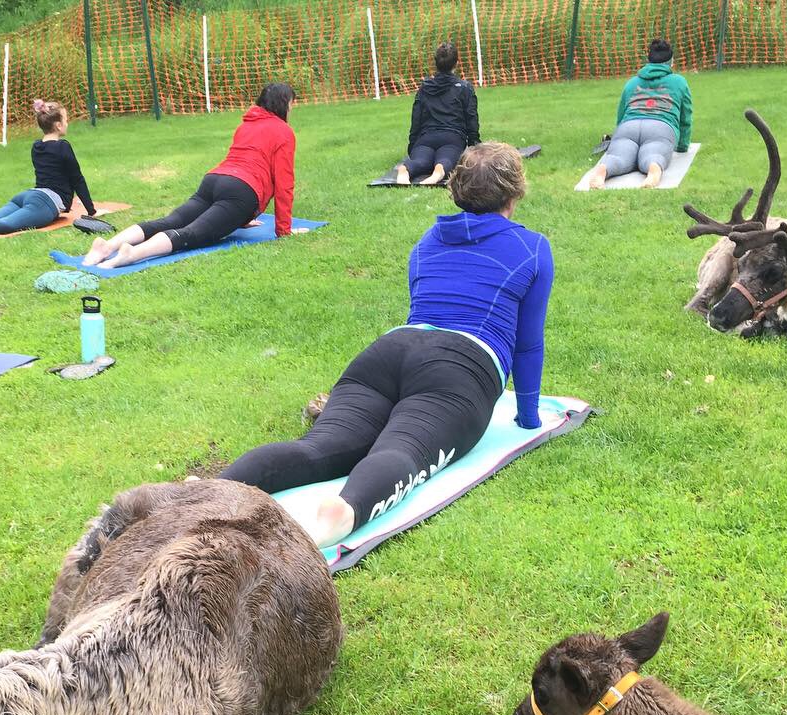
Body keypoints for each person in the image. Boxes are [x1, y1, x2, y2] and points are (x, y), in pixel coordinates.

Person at [219, 142, 552, 549]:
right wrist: (528, 418)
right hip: (460, 367)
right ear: (514, 195)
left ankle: (205, 492)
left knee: (318, 448)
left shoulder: (428, 242)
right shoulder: (532, 248)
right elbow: (528, 345)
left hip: (388, 352)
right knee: (405, 449)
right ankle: (340, 514)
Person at [84, 83, 302, 269]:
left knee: (170, 221)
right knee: (191, 234)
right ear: (283, 105)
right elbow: (284, 184)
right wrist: (284, 230)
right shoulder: (284, 132)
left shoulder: (246, 125)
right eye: (292, 105)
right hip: (241, 191)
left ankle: (108, 246)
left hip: (214, 180)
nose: (292, 110)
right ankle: (131, 254)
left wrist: (241, 217)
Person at [0, 100, 98, 237]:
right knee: (7, 224)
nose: (67, 123)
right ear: (58, 125)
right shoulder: (63, 147)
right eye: (66, 120)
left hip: (28, 195)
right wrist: (91, 211)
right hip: (44, 202)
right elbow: (77, 179)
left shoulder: (36, 146)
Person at [583, 39, 692, 190]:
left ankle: (603, 170)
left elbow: (621, 114)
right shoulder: (679, 82)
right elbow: (685, 116)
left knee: (619, 156)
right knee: (654, 154)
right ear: (671, 61)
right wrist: (683, 145)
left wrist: (618, 135)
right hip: (661, 127)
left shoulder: (632, 82)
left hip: (629, 126)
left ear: (649, 60)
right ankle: (653, 171)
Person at [395, 41, 480, 187]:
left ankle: (405, 170)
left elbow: (416, 117)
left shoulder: (424, 87)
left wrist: (413, 144)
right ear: (456, 63)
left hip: (426, 137)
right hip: (452, 137)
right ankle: (438, 172)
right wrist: (474, 145)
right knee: (446, 159)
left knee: (420, 161)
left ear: (436, 63)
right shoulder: (465, 88)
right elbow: (471, 119)